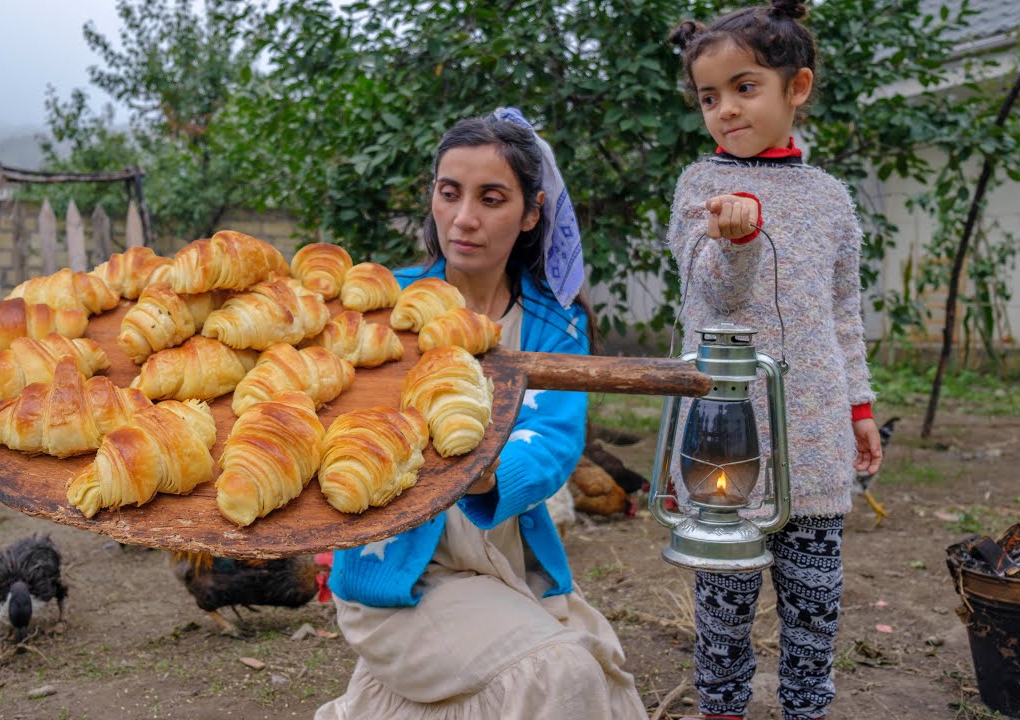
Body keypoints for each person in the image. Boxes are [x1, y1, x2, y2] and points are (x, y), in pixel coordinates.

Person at [315, 109, 649, 720]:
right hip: (401, 582)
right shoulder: (385, 305)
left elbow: (552, 442)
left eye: (491, 198)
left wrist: (484, 465)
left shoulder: (555, 324)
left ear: (529, 214)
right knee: (561, 672)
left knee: (594, 668)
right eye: (450, 193)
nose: (464, 218)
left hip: (504, 562)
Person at [663, 2, 884, 719]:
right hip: (723, 445)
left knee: (814, 610)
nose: (725, 109)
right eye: (708, 96)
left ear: (798, 87)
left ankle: (805, 710)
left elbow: (844, 316)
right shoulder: (702, 188)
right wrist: (737, 241)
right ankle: (722, 709)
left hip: (817, 441)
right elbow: (712, 296)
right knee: (723, 615)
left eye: (744, 87)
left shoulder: (830, 200)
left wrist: (860, 409)